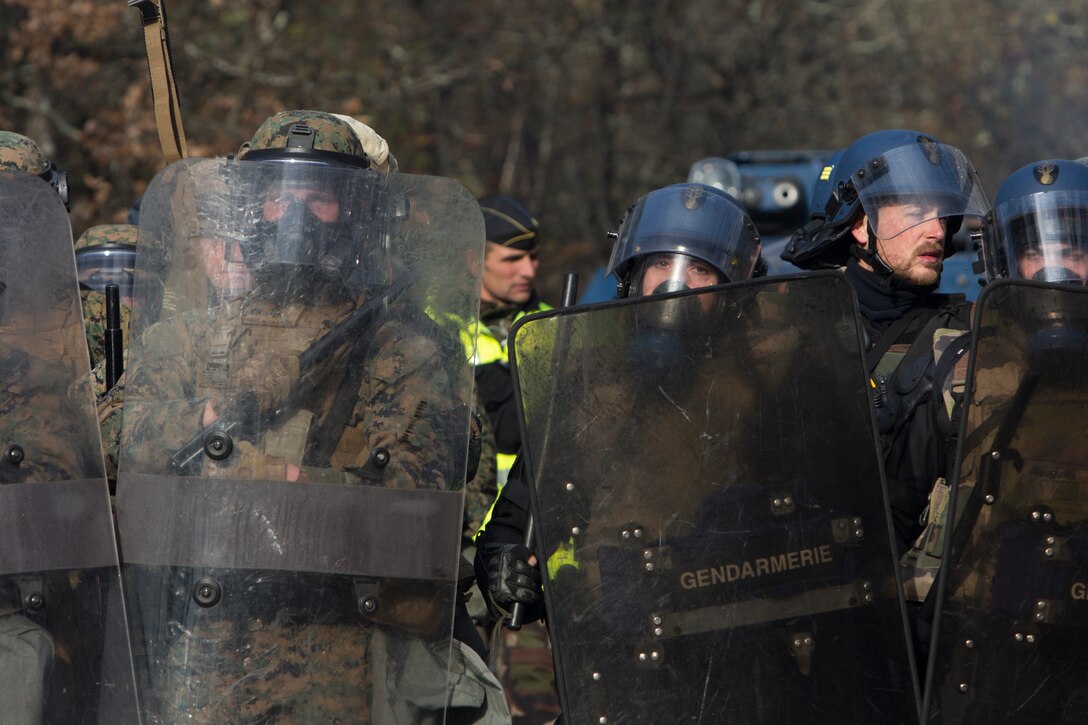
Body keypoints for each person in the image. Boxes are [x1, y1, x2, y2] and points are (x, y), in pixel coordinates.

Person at [115, 110, 508, 723]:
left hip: (341, 653)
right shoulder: (190, 339)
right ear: (251, 207)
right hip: (201, 646)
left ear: (357, 211)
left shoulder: (401, 349)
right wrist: (207, 416)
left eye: (320, 197)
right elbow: (110, 440)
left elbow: (416, 503)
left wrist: (267, 480)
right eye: (277, 196)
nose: (294, 215)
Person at [475, 180, 762, 654]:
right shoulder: (586, 381)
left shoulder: (759, 388)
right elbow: (518, 514)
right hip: (609, 649)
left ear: (730, 290)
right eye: (663, 263)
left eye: (701, 271)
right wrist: (501, 563)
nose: (676, 284)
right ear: (634, 273)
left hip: (728, 642)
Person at [981, 158, 1088, 284]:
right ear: (1009, 264)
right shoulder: (987, 304)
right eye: (1034, 255)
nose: (1053, 268)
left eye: (1071, 255)